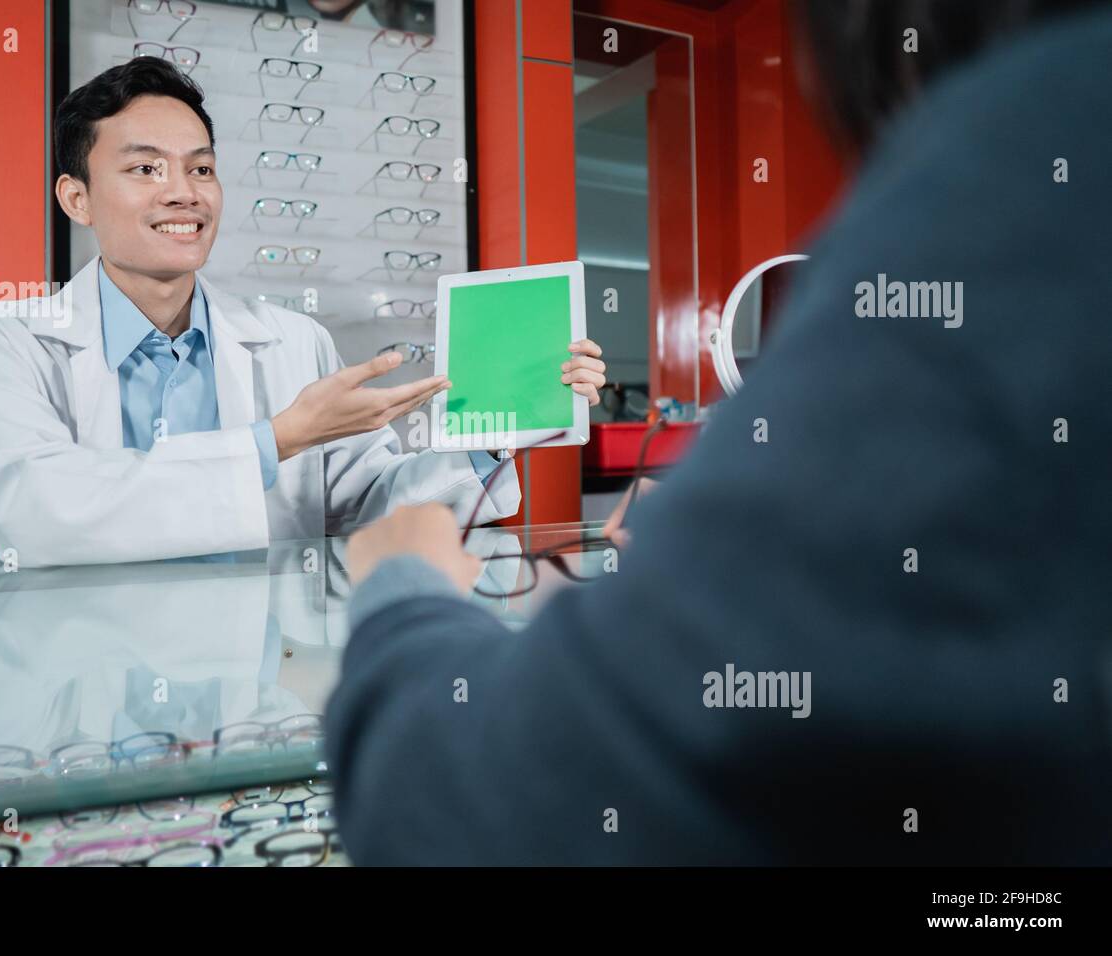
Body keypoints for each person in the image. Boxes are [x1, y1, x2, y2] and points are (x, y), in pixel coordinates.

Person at [325, 0, 1112, 864]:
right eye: (147, 167)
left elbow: (503, 806)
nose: (183, 193)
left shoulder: (1021, 155)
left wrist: (401, 591)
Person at [0, 57, 606, 568]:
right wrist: (277, 439)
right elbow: (39, 515)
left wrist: (497, 428)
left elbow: (368, 508)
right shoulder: (0, 343)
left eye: (201, 170)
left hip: (258, 692)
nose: (183, 193)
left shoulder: (292, 340)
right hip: (86, 706)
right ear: (76, 198)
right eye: (145, 170)